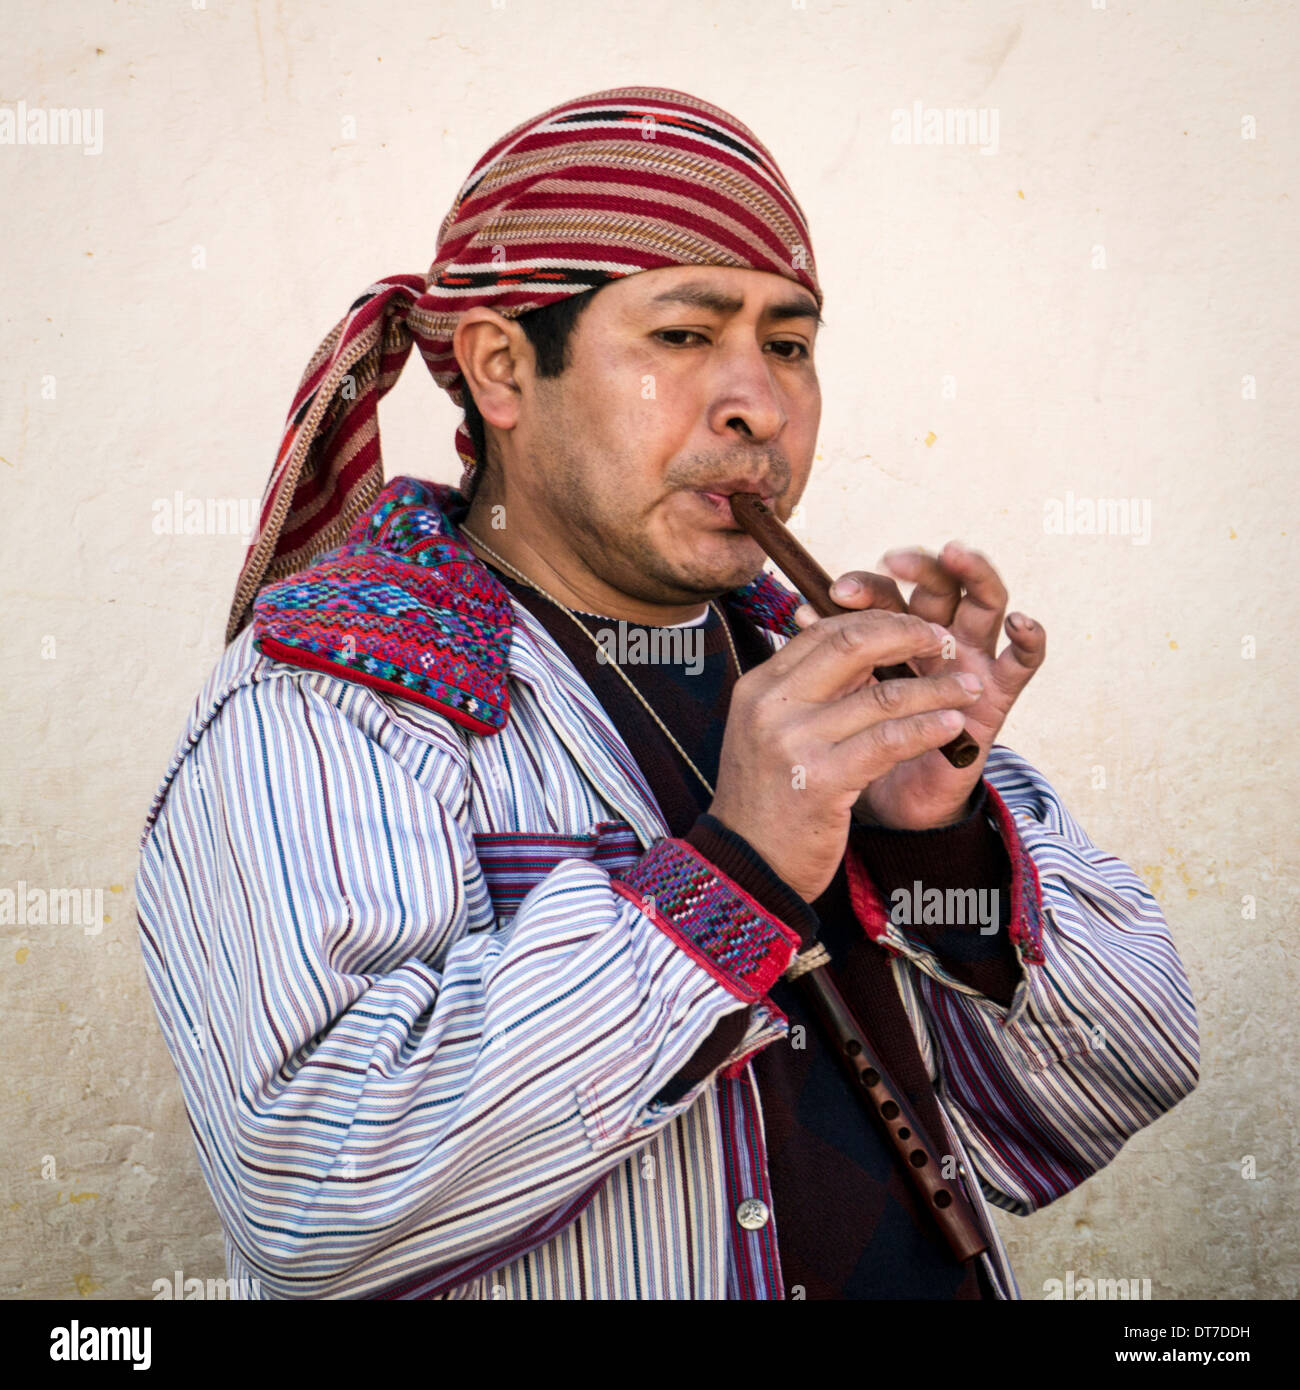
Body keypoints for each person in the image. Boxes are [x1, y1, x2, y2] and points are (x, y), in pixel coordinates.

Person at [135, 85, 1199, 1300]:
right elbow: (315, 1202)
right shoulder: (327, 707)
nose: (760, 404)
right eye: (685, 336)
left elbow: (1123, 1076)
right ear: (499, 367)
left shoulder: (825, 677)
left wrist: (937, 841)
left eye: (788, 344)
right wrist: (734, 874)